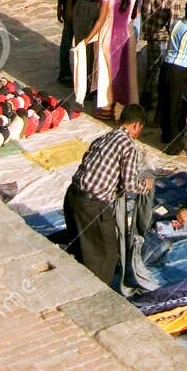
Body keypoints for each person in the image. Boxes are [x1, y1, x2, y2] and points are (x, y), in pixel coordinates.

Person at [63, 105, 152, 285]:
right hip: (91, 205)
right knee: (107, 255)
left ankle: (75, 281)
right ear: (136, 126)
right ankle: (95, 296)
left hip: (72, 197)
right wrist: (145, 185)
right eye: (140, 129)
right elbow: (129, 184)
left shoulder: (103, 138)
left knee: (81, 247)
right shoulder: (128, 146)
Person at [85, 0, 139, 119]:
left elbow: (101, 19)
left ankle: (107, 107)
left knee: (106, 73)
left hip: (109, 35)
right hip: (127, 35)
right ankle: (123, 106)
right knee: (126, 71)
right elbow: (134, 13)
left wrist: (87, 39)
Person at [158, 0, 187, 154]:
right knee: (177, 107)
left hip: (166, 64)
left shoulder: (176, 22)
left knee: (165, 102)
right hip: (179, 69)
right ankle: (174, 144)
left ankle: (165, 135)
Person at [139, 0, 185, 113]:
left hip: (150, 36)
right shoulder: (173, 1)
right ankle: (155, 105)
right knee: (160, 75)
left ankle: (146, 100)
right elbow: (175, 28)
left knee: (151, 70)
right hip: (163, 40)